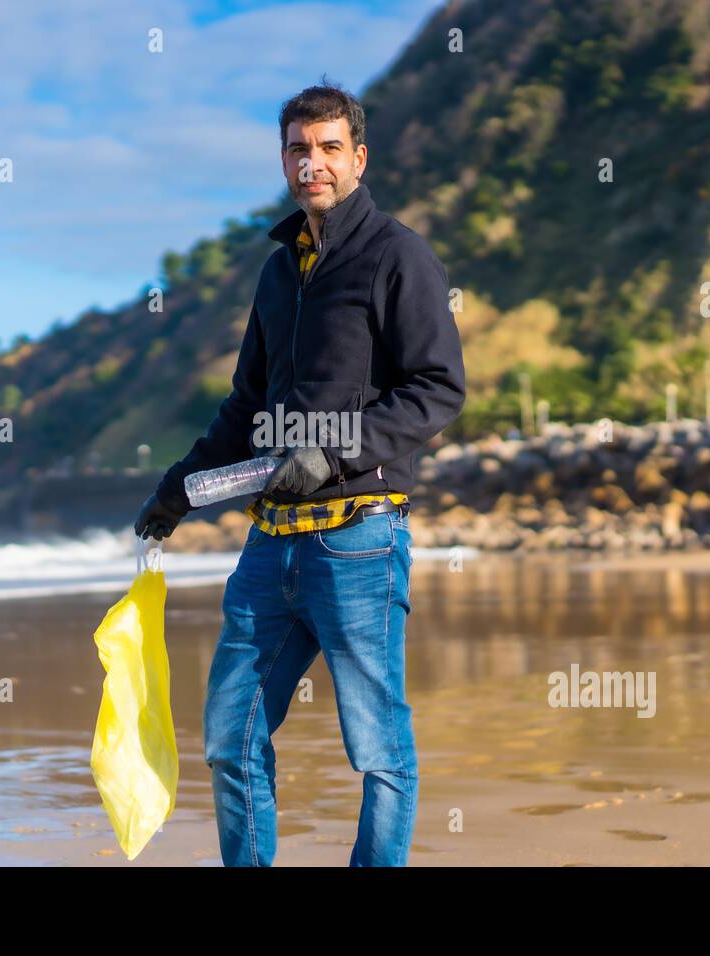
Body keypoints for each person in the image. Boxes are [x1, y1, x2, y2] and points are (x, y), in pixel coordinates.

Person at [134, 79, 465, 866]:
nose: (310, 162)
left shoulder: (398, 256)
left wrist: (332, 453)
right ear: (283, 159)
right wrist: (177, 489)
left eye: (326, 148)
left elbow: (437, 389)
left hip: (359, 541)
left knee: (377, 752)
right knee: (229, 737)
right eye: (296, 148)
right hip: (269, 549)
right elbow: (248, 403)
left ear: (357, 157)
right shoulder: (279, 273)